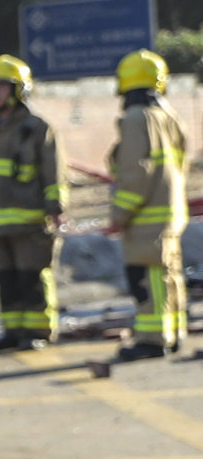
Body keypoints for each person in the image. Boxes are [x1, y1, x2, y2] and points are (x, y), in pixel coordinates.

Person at [0, 55, 64, 350]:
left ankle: (38, 332)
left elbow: (53, 172)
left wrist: (55, 207)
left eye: (1, 86)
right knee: (6, 281)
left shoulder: (37, 128)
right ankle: (12, 332)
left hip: (30, 221)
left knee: (31, 278)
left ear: (18, 90)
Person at [109, 49, 188, 361]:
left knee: (146, 278)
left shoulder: (135, 120)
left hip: (145, 218)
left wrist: (119, 214)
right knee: (170, 275)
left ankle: (152, 340)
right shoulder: (169, 117)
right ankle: (173, 333)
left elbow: (134, 173)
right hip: (171, 214)